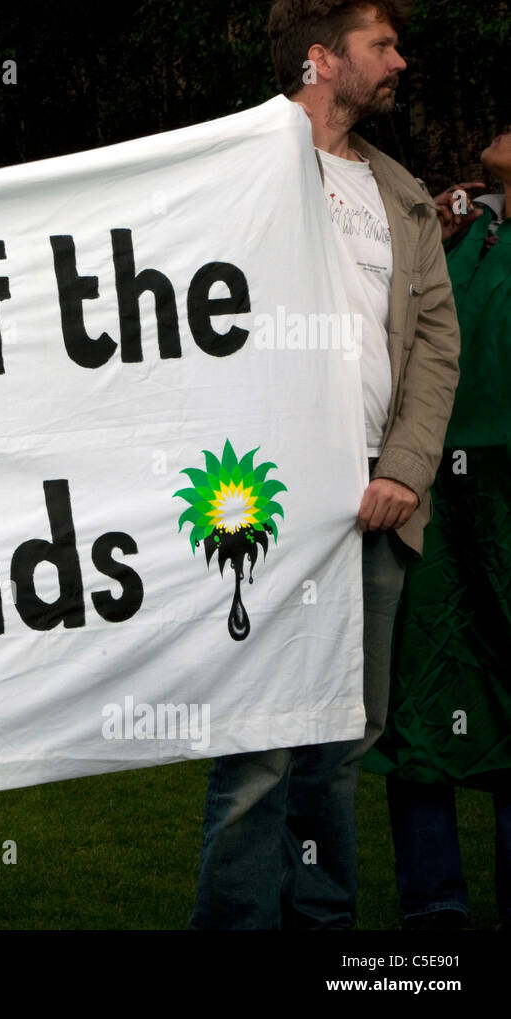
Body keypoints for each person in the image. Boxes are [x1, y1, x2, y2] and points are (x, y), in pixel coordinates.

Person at [190, 0, 461, 929]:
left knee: (342, 743)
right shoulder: (230, 168)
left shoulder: (404, 193)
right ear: (321, 57)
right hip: (259, 506)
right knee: (259, 746)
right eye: (380, 45)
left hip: (376, 501)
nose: (399, 61)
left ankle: (324, 931)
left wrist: (407, 469)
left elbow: (434, 344)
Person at [362, 126, 511, 929]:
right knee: (416, 696)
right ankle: (433, 909)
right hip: (427, 495)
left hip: (502, 502)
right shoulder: (455, 226)